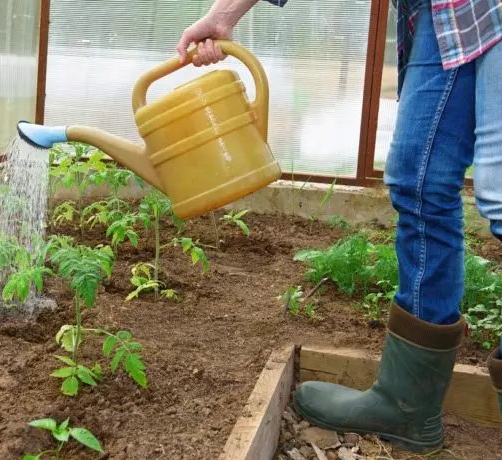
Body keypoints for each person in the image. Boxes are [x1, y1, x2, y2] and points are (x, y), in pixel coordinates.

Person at [177, 0, 502, 452]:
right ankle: (408, 406)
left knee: (499, 195)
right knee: (418, 182)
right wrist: (226, 13)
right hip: (447, 13)